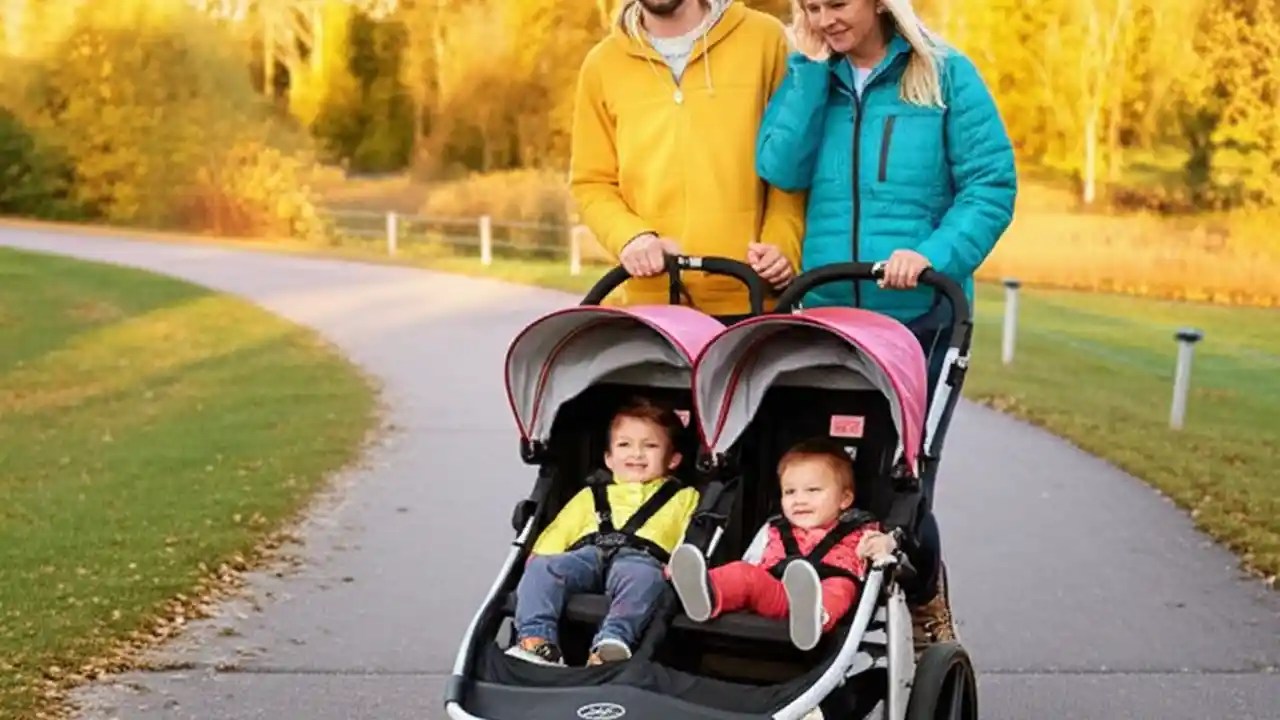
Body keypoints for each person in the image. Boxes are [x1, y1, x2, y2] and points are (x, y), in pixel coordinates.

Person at [753, 0, 1017, 647]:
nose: (824, 18)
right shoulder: (815, 73)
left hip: (919, 321)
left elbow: (990, 185)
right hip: (830, 321)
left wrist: (934, 255)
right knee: (817, 475)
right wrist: (811, 70)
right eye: (810, 6)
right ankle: (811, 599)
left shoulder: (944, 75)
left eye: (836, 4)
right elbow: (777, 166)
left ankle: (924, 598)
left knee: (903, 477)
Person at [569, 0, 809, 324]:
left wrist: (782, 245)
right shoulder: (602, 65)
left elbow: (793, 163)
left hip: (751, 300)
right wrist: (631, 237)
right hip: (651, 305)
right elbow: (591, 182)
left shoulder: (765, 39)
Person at [506, 397, 700, 667]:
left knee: (644, 579)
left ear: (674, 459)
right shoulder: (591, 494)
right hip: (588, 554)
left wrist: (677, 566)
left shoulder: (684, 497)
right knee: (543, 569)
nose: (636, 454)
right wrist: (540, 555)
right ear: (609, 458)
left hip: (642, 558)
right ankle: (537, 642)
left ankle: (611, 643)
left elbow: (690, 533)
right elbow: (563, 528)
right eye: (624, 445)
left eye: (651, 446)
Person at [667, 438, 897, 651]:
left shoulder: (861, 529)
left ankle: (816, 617)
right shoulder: (774, 529)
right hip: (776, 591)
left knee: (841, 587)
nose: (799, 499)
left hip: (824, 590)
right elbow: (751, 563)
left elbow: (884, 547)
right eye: (789, 492)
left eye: (813, 490)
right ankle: (704, 591)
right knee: (743, 573)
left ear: (844, 499)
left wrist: (884, 545)